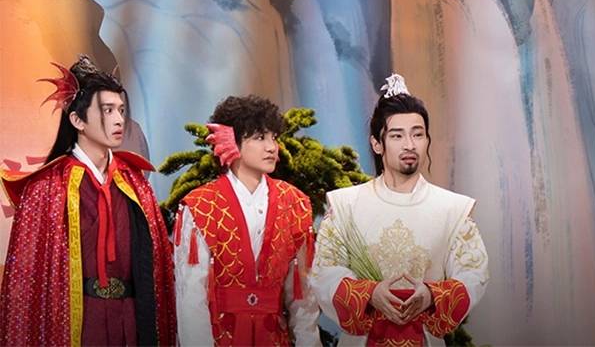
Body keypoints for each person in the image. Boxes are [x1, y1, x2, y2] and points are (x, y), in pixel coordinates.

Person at [0, 55, 176, 345]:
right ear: (77, 120)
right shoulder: (47, 188)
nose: (119, 119)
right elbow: (25, 285)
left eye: (121, 110)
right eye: (107, 110)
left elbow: (157, 271)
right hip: (77, 325)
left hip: (130, 322)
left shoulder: (134, 182)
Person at [310, 74, 489, 346]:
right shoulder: (345, 206)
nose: (409, 145)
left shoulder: (453, 210)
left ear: (427, 140)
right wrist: (370, 294)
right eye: (397, 135)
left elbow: (474, 273)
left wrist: (431, 295)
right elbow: (323, 272)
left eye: (418, 134)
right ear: (376, 144)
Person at [173, 95, 320, 346]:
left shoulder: (294, 203)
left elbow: (302, 297)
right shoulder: (202, 206)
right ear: (231, 141)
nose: (272, 147)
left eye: (274, 137)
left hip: (273, 337)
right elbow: (191, 299)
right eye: (260, 137)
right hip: (221, 337)